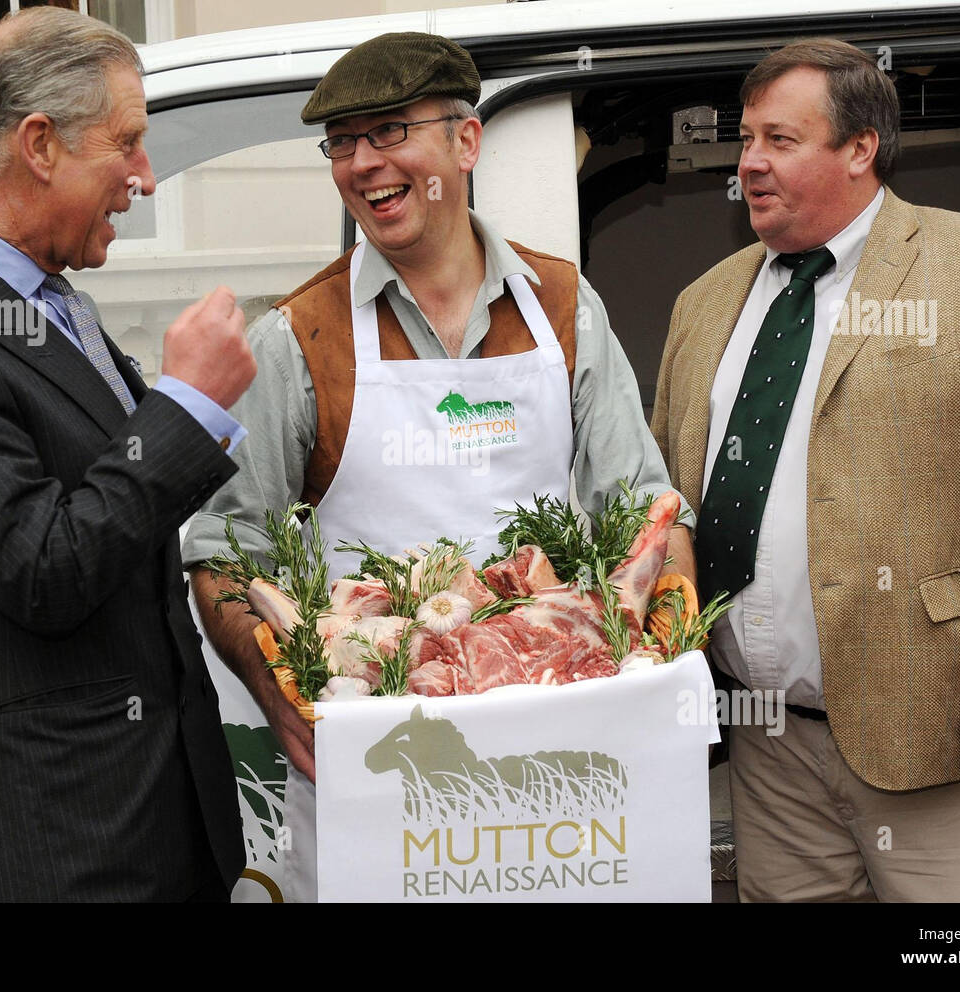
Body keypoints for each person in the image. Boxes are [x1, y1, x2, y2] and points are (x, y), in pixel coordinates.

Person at [183, 32, 694, 783]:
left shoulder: (564, 307)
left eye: (390, 131)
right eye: (341, 142)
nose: (362, 162)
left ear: (466, 142)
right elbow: (226, 552)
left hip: (554, 730)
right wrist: (275, 687)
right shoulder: (299, 337)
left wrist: (664, 648)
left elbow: (647, 510)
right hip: (379, 752)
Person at [652, 38, 960, 901]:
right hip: (767, 744)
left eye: (780, 140)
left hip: (949, 736)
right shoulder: (705, 301)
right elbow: (669, 500)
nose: (749, 163)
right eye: (746, 140)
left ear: (861, 149)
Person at [0, 7, 255, 901]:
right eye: (128, 142)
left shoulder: (50, 298)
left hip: (158, 824)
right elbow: (41, 572)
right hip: (52, 848)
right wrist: (186, 403)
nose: (144, 177)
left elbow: (118, 519)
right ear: (39, 144)